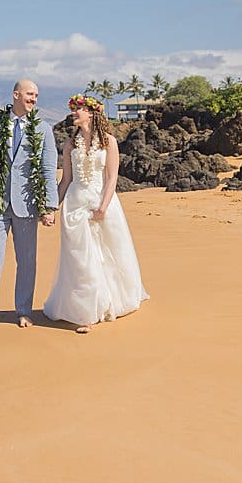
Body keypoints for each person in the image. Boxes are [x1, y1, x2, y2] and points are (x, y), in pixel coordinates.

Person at [44, 94, 150, 333]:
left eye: (77, 109)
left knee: (108, 254)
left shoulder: (109, 141)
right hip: (75, 204)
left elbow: (112, 177)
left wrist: (103, 206)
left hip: (103, 202)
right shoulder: (70, 144)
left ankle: (107, 301)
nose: (73, 113)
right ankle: (86, 313)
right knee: (81, 258)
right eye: (73, 109)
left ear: (91, 113)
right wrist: (52, 208)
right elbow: (66, 180)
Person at [0, 79, 60, 329]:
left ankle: (24, 310)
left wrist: (49, 206)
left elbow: (49, 170)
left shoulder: (43, 129)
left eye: (37, 95)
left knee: (27, 261)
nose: (34, 99)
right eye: (30, 94)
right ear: (16, 94)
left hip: (27, 204)